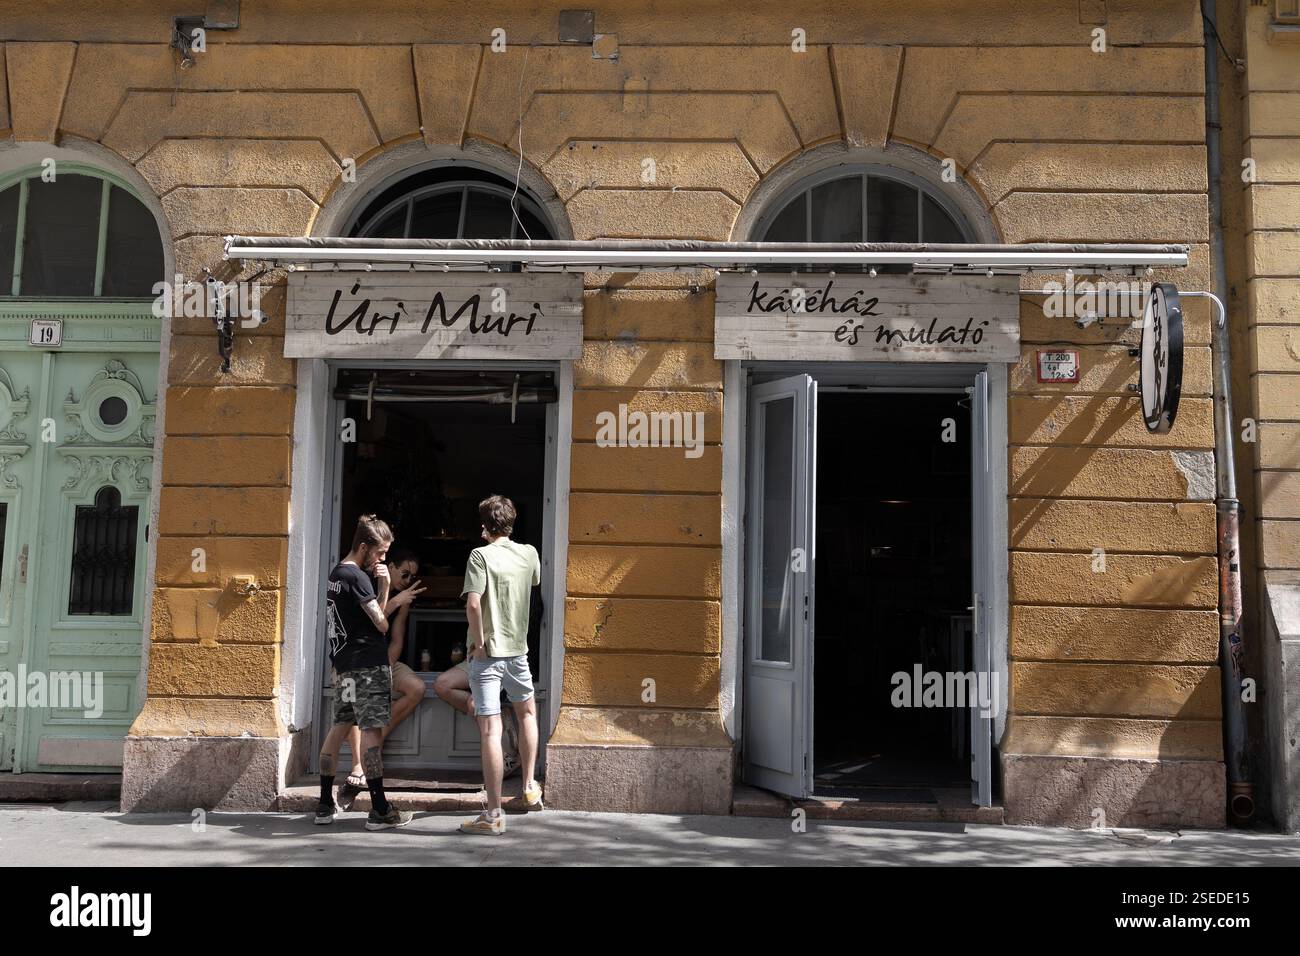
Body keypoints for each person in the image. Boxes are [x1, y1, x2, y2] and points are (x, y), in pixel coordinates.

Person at [315, 515, 413, 831]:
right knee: (371, 730)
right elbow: (381, 623)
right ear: (363, 547)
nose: (383, 559)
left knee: (339, 725)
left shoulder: (335, 574)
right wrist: (385, 586)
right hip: (368, 667)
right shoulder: (357, 578)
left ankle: (324, 803)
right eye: (380, 552)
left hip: (343, 667)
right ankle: (380, 809)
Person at [458, 495, 544, 835]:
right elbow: (533, 582)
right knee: (527, 715)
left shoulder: (480, 556)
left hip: (489, 655)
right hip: (518, 652)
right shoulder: (529, 554)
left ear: (484, 525)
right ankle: (528, 785)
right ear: (512, 521)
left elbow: (474, 606)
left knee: (491, 730)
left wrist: (479, 645)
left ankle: (493, 815)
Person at [336, 548, 427, 812]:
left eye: (412, 577)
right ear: (391, 566)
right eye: (405, 573)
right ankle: (357, 764)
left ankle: (376, 740)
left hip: (384, 660)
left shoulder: (403, 598)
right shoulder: (366, 583)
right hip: (357, 659)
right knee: (352, 710)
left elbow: (397, 638)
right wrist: (396, 600)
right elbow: (372, 621)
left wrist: (386, 664)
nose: (408, 580)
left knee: (417, 688)